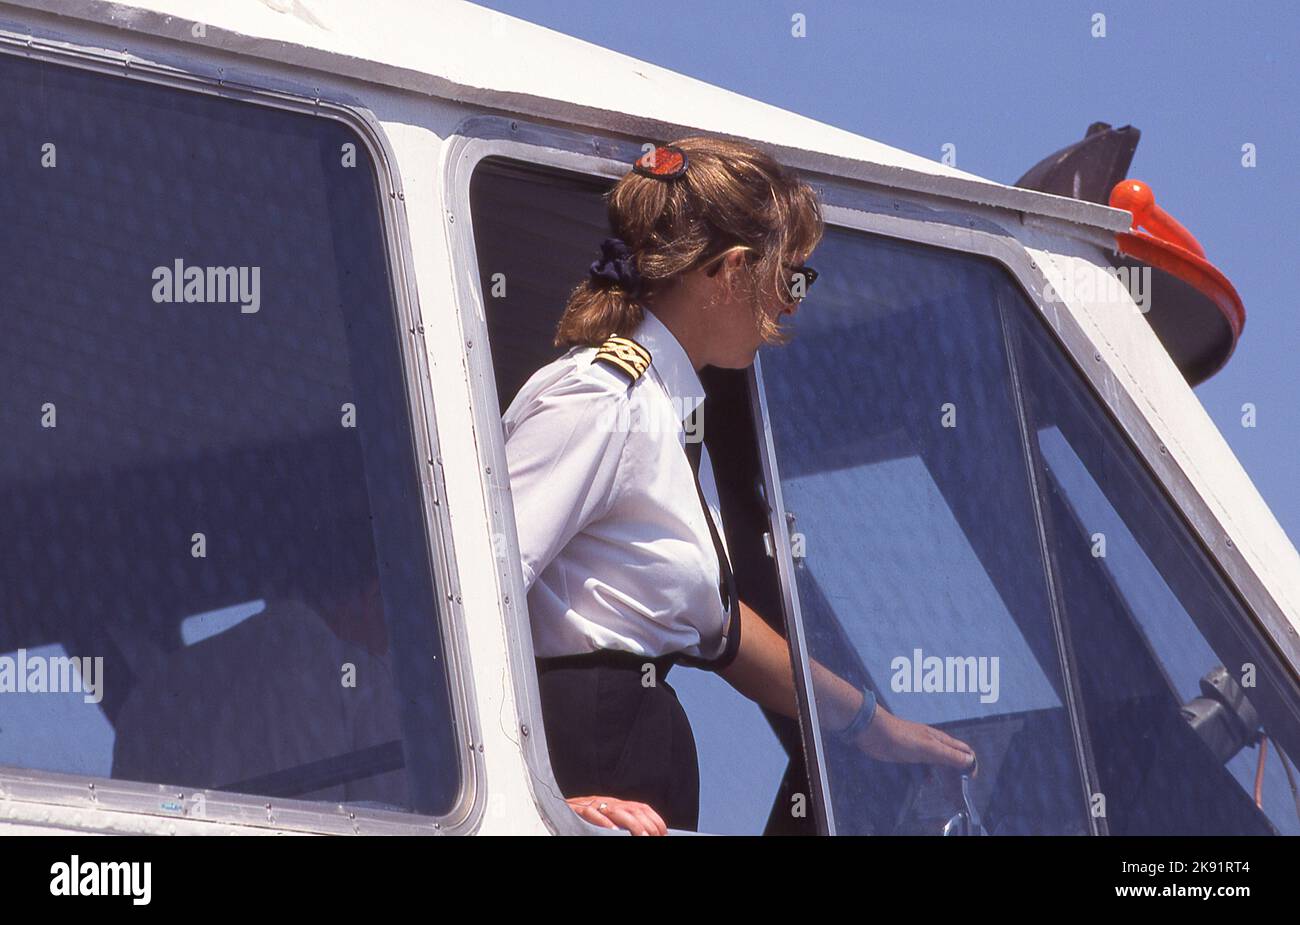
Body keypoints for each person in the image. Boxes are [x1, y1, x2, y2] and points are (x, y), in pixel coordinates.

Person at [502, 136, 975, 836]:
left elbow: (719, 630)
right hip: (584, 766)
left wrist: (872, 727)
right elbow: (462, 601)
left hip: (632, 766)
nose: (791, 306)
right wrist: (530, 792)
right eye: (790, 279)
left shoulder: (665, 406)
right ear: (727, 271)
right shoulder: (599, 399)